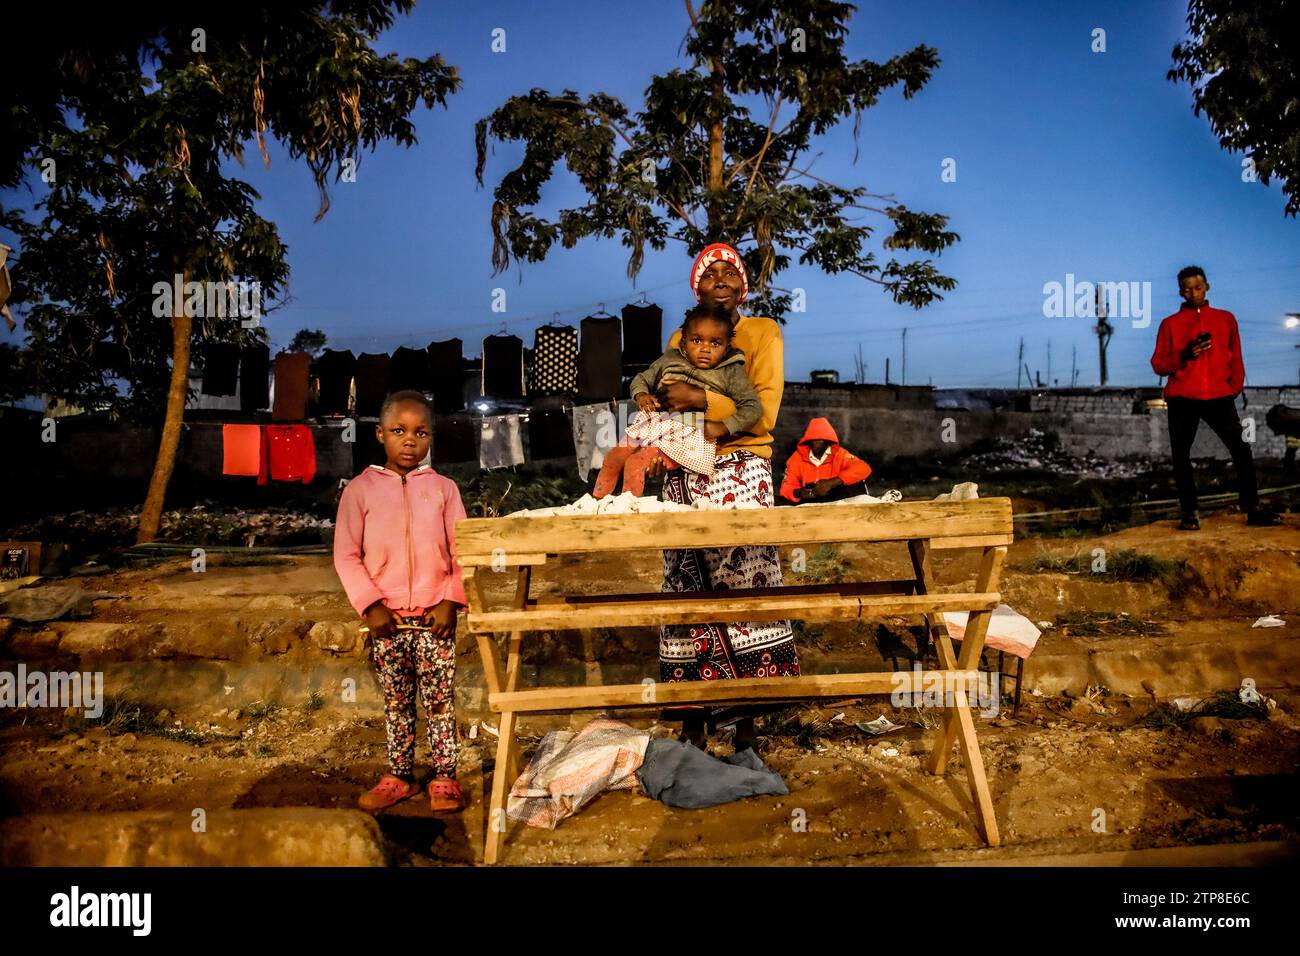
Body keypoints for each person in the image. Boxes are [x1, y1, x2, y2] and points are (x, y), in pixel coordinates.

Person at [647, 242, 798, 752]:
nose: (721, 278)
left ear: (744, 285)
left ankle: (746, 730)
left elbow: (765, 411)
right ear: (697, 286)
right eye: (710, 272)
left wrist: (702, 400)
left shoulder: (762, 332)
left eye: (730, 271)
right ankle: (692, 725)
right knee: (684, 583)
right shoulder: (679, 336)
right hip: (685, 468)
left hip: (742, 467)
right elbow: (666, 401)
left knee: (744, 583)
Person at [333, 390, 470, 812]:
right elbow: (346, 554)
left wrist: (451, 599)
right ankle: (400, 775)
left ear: (430, 437)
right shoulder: (359, 490)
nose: (409, 440)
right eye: (398, 431)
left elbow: (463, 550)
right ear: (380, 435)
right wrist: (371, 605)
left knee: (440, 701)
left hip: (436, 620)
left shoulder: (445, 490)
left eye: (420, 432)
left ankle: (445, 777)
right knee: (396, 701)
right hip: (386, 622)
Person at [1149, 265, 1278, 530]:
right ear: (1180, 293)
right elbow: (1159, 365)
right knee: (1181, 455)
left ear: (1207, 286)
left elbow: (1236, 356)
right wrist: (1185, 354)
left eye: (1198, 287)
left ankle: (1252, 508)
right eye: (1187, 289)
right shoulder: (1169, 324)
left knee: (1241, 448)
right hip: (1183, 397)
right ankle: (1190, 513)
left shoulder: (1225, 319)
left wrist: (1233, 387)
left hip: (1219, 395)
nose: (1193, 293)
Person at [593, 305, 762, 498]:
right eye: (697, 340)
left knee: (635, 463)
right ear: (683, 343)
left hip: (687, 437)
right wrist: (641, 395)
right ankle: (596, 505)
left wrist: (723, 426)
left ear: (726, 349)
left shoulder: (730, 371)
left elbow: (753, 408)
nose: (705, 349)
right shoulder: (670, 359)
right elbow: (641, 379)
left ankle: (629, 510)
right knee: (614, 457)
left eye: (715, 343)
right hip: (652, 422)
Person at [778, 417, 873, 504]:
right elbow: (786, 488)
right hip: (810, 502)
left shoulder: (840, 454)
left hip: (837, 499)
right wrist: (800, 493)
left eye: (820, 440)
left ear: (828, 441)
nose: (815, 443)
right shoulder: (796, 458)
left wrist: (831, 483)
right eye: (812, 439)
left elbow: (863, 468)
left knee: (857, 484)